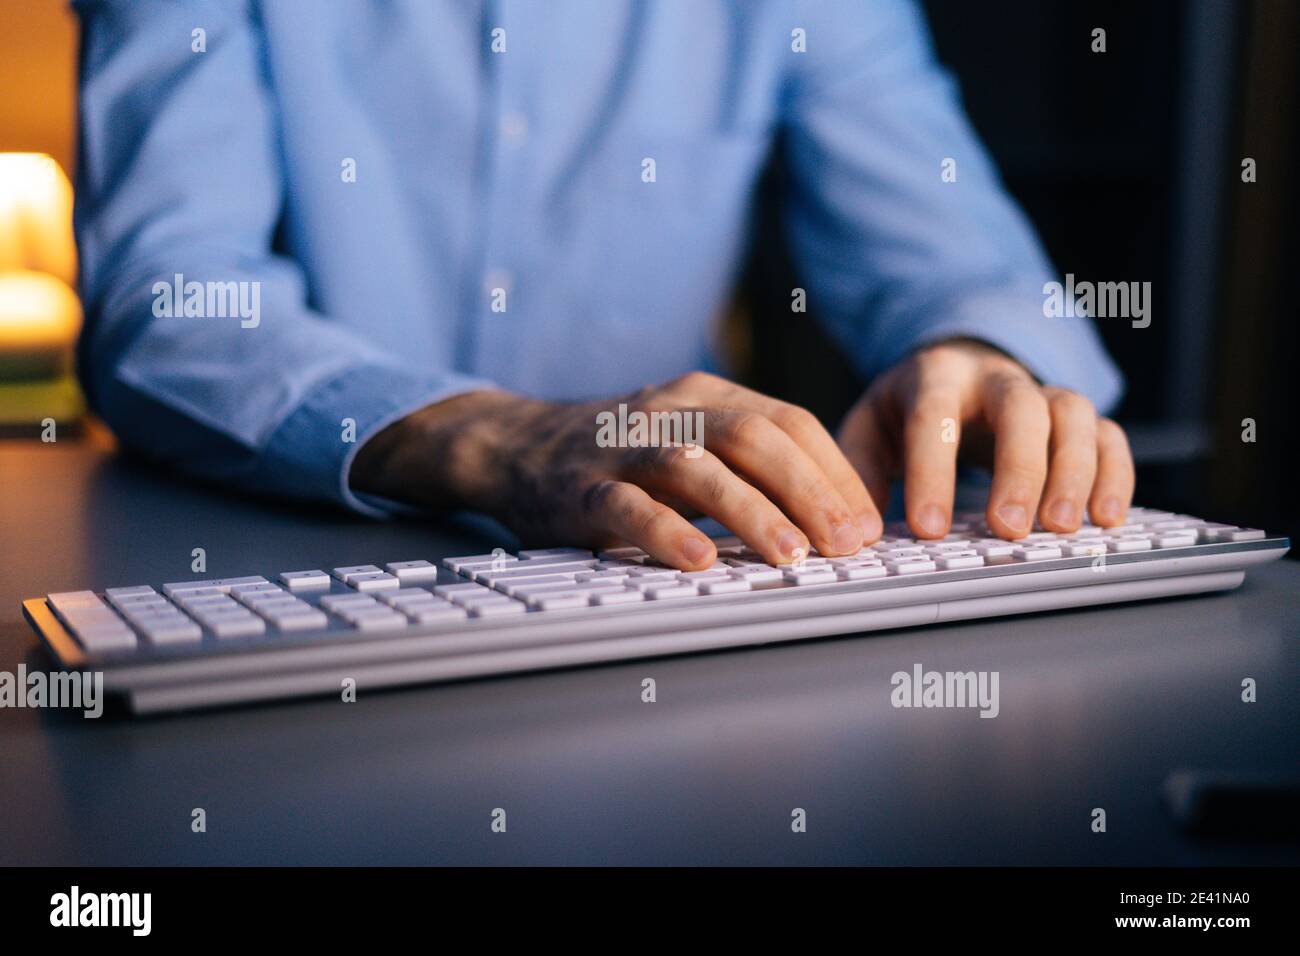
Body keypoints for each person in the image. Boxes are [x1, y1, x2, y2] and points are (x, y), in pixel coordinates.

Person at [72, 0, 1131, 570]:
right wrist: (499, 437)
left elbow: (952, 255)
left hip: (667, 586)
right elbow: (167, 298)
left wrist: (975, 357)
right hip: (276, 581)